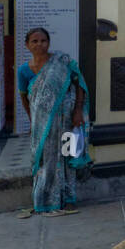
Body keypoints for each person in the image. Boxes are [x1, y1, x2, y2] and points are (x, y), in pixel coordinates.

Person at [17, 27, 87, 217]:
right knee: (44, 161)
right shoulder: (23, 71)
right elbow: (25, 98)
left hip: (67, 121)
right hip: (43, 127)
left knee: (67, 157)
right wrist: (34, 121)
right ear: (27, 45)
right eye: (34, 41)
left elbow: (79, 84)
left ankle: (69, 199)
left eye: (43, 41)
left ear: (49, 43)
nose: (39, 44)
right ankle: (45, 201)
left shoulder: (62, 63)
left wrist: (78, 111)